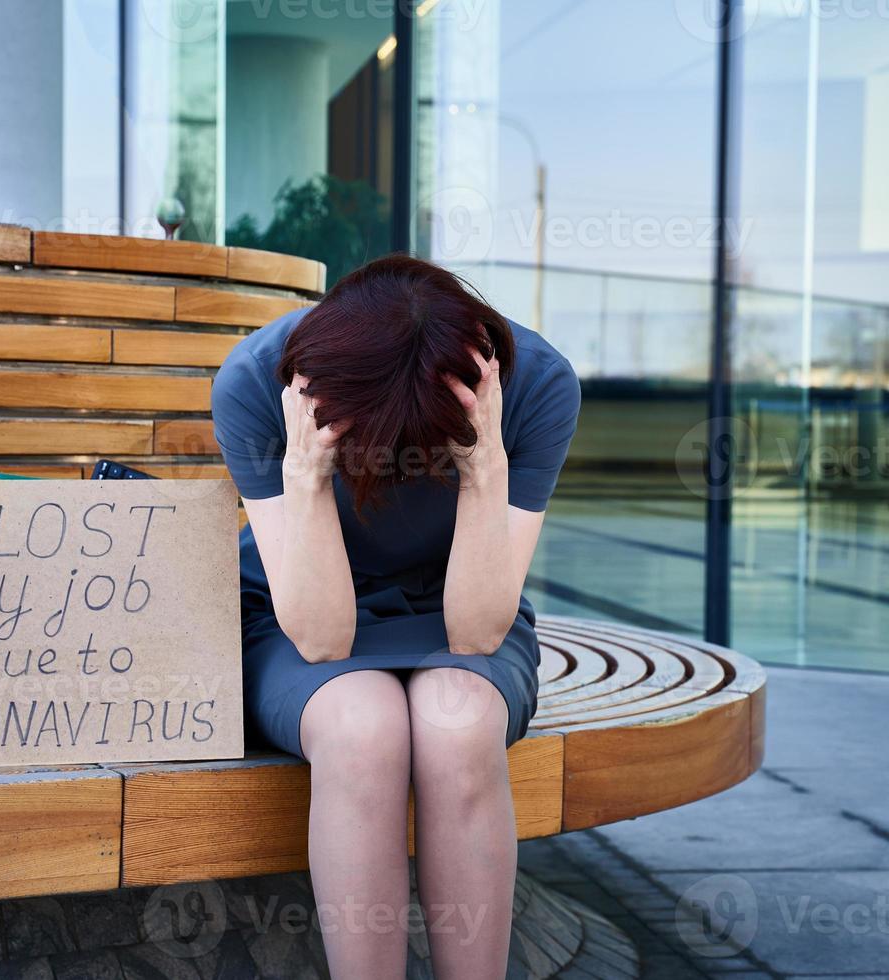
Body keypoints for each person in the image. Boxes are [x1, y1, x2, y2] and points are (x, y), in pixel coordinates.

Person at [211, 254, 580, 980]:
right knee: (360, 728)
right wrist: (305, 471)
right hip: (298, 610)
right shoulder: (258, 382)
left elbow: (476, 631)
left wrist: (483, 466)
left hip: (462, 600)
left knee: (459, 725)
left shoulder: (535, 383)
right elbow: (319, 639)